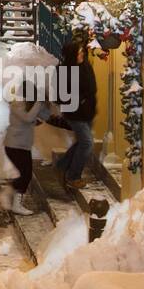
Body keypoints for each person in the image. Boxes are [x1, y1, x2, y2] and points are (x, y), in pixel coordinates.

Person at [55, 38, 97, 190]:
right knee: (87, 143)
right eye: (79, 53)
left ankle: (62, 165)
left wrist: (87, 102)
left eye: (82, 52)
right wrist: (78, 100)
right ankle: (73, 176)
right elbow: (59, 96)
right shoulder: (63, 71)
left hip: (87, 112)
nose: (82, 55)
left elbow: (92, 87)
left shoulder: (85, 66)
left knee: (82, 142)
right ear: (72, 54)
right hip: (74, 114)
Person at [3, 86, 50, 216]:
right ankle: (16, 204)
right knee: (25, 174)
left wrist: (45, 102)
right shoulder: (17, 105)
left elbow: (46, 116)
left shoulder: (30, 106)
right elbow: (28, 118)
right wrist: (38, 103)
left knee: (24, 174)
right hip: (15, 146)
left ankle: (8, 194)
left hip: (23, 146)